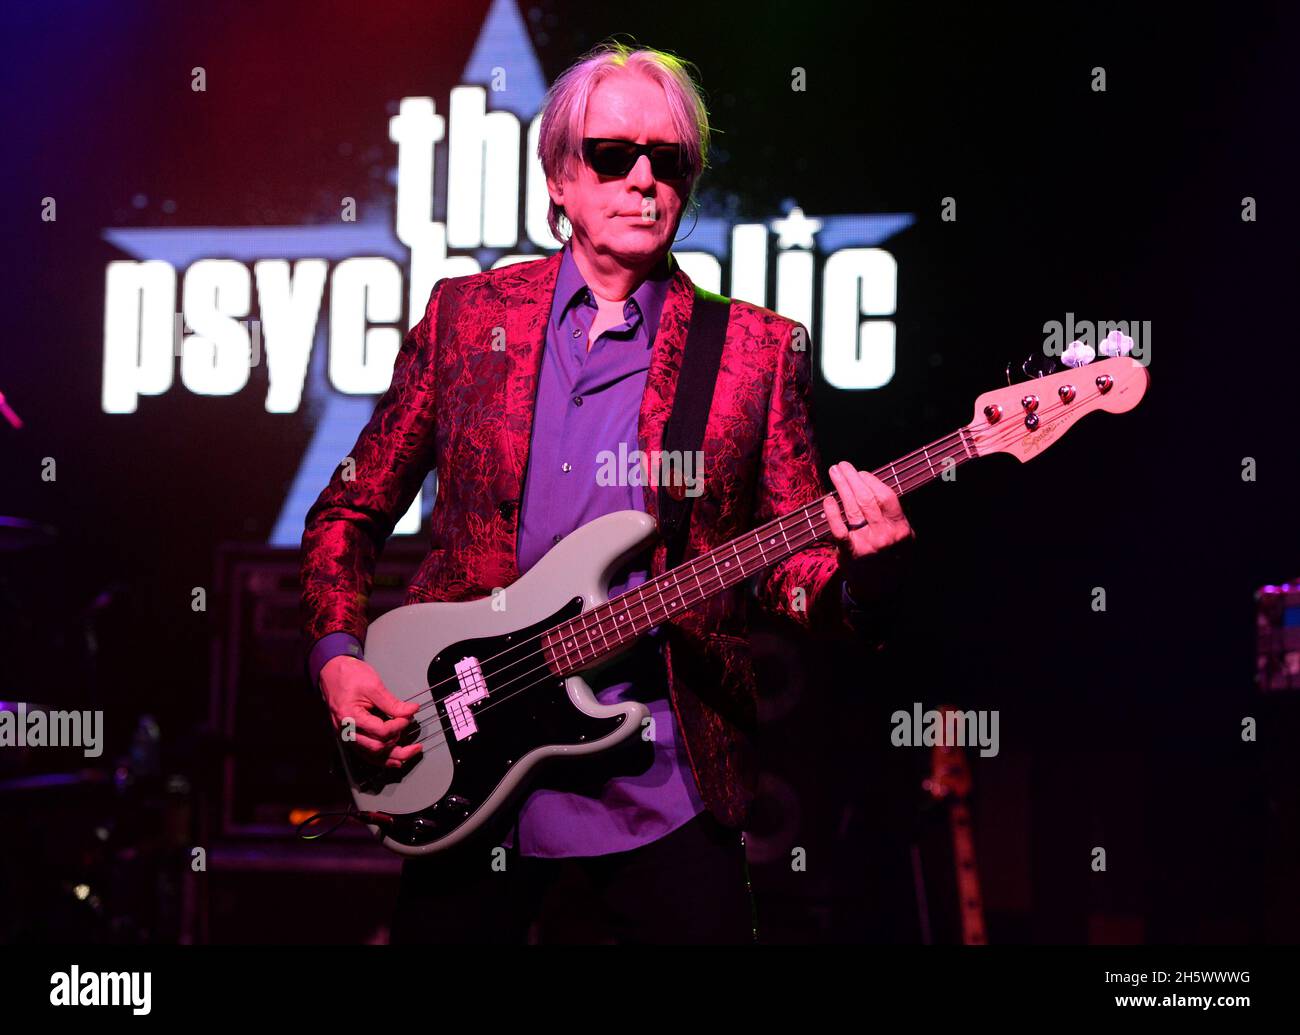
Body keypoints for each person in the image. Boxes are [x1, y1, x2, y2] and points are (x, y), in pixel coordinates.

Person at [299, 41, 914, 944]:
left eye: (667, 162)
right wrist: (338, 657)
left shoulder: (750, 352)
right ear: (558, 178)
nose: (641, 180)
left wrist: (867, 573)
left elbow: (792, 570)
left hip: (661, 783)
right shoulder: (466, 321)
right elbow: (348, 510)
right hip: (468, 767)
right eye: (611, 155)